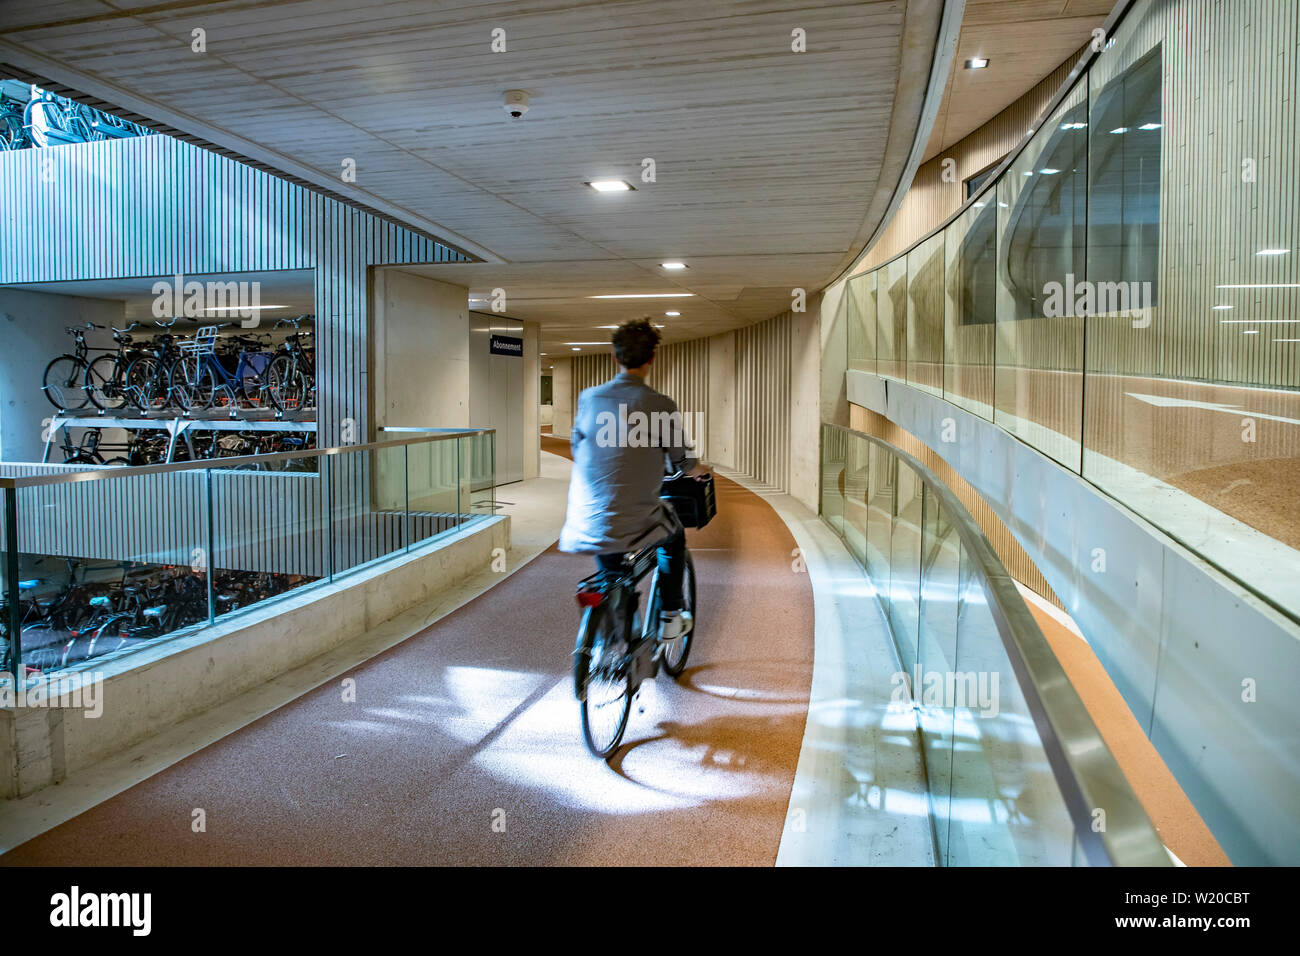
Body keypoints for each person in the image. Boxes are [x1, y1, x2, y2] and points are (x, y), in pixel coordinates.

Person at [558, 318, 711, 656]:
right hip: (638, 515)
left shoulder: (590, 398)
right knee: (673, 537)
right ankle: (671, 614)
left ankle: (612, 635)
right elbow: (683, 463)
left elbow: (577, 445)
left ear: (615, 357)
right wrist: (702, 471)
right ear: (652, 358)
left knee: (612, 562)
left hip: (587, 518)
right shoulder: (660, 405)